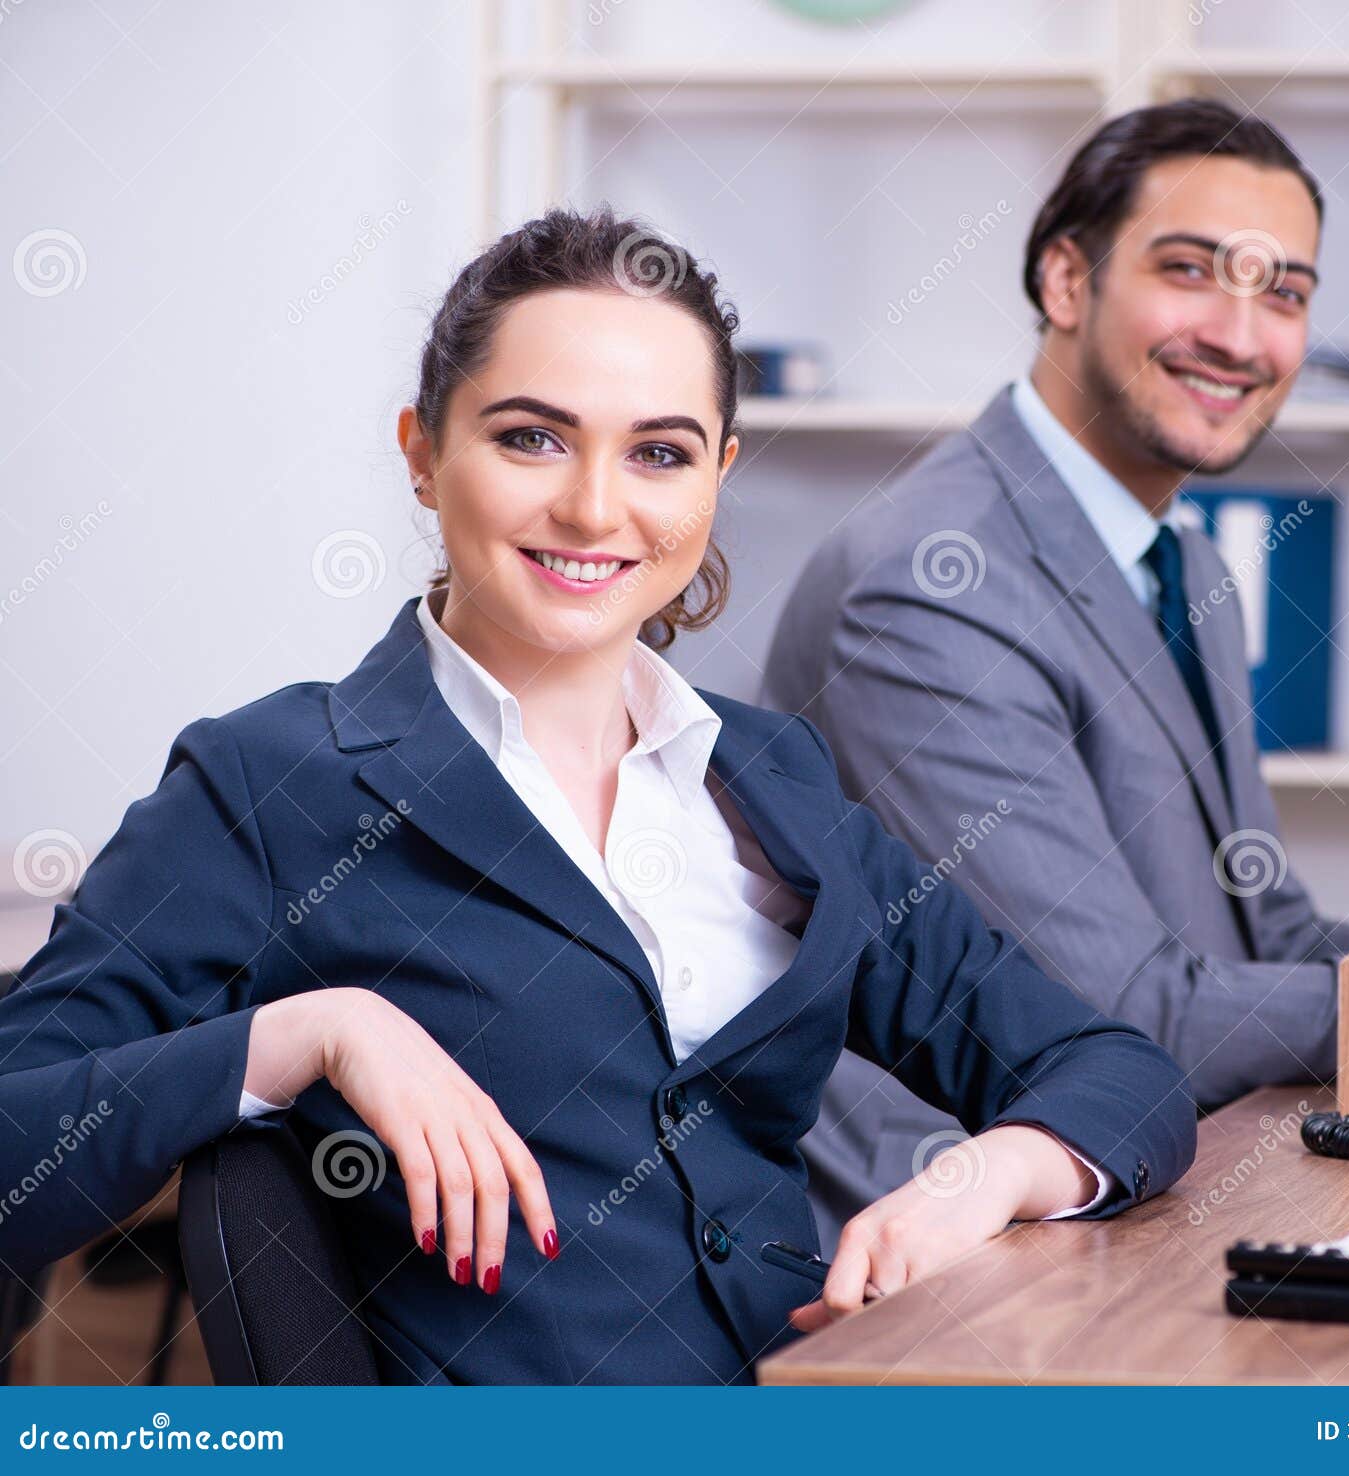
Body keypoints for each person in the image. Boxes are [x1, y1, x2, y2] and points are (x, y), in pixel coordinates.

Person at [0, 208, 1195, 1386]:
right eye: (530, 438)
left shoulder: (770, 780)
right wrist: (312, 1033)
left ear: (717, 477)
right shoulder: (271, 781)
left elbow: (1111, 1068)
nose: (592, 507)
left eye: (659, 453)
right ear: (422, 451)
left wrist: (976, 1180)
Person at [762, 99, 1349, 1252]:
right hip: (959, 1233)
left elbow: (1264, 918)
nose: (1241, 336)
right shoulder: (929, 583)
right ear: (1065, 281)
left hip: (1152, 1173)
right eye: (1189, 271)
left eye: (1283, 291)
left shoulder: (1186, 564)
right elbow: (1126, 1014)